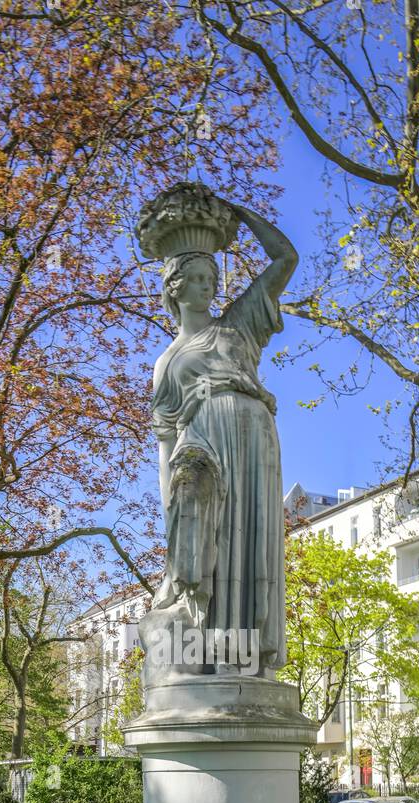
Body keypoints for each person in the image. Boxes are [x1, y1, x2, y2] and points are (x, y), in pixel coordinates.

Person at [148, 201, 298, 675]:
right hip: (203, 439)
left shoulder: (238, 324)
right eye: (195, 279)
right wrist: (167, 507)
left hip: (254, 441)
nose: (207, 286)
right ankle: (199, 632)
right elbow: (165, 442)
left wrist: (244, 214)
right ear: (174, 286)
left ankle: (243, 656)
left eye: (212, 279)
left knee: (248, 538)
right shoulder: (167, 364)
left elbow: (285, 259)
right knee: (196, 513)